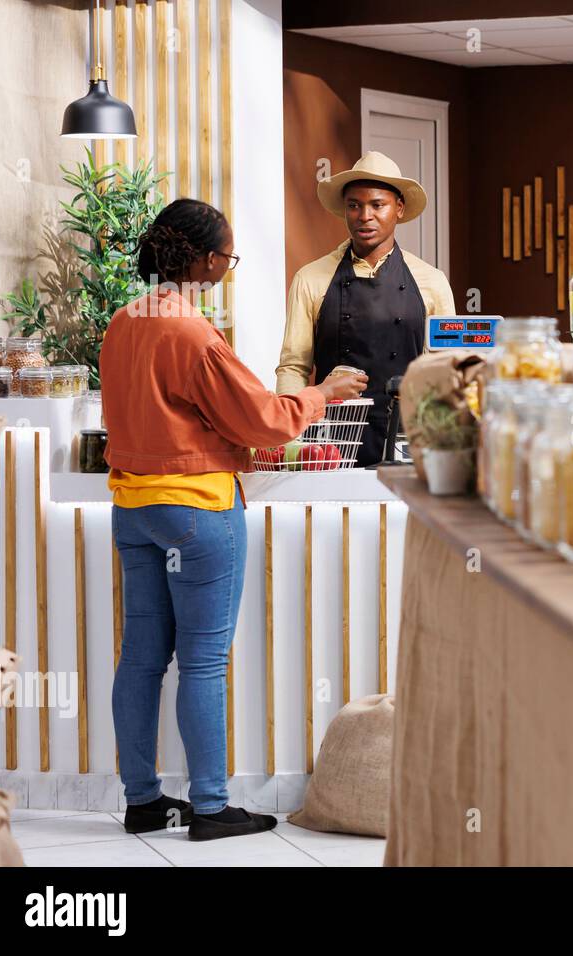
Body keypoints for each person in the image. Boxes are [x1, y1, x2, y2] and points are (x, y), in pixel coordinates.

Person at [101, 198, 367, 841]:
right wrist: (321, 393)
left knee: (140, 657)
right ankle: (213, 808)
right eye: (227, 256)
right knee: (202, 661)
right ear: (203, 258)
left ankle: (143, 802)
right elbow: (261, 420)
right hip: (197, 508)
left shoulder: (126, 321)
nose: (228, 266)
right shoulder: (190, 331)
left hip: (133, 508)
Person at [276, 151, 457, 466]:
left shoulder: (432, 281)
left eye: (377, 205)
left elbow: (445, 372)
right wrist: (288, 440)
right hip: (333, 441)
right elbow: (294, 367)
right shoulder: (310, 278)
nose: (364, 216)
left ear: (399, 209)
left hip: (409, 442)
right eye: (354, 205)